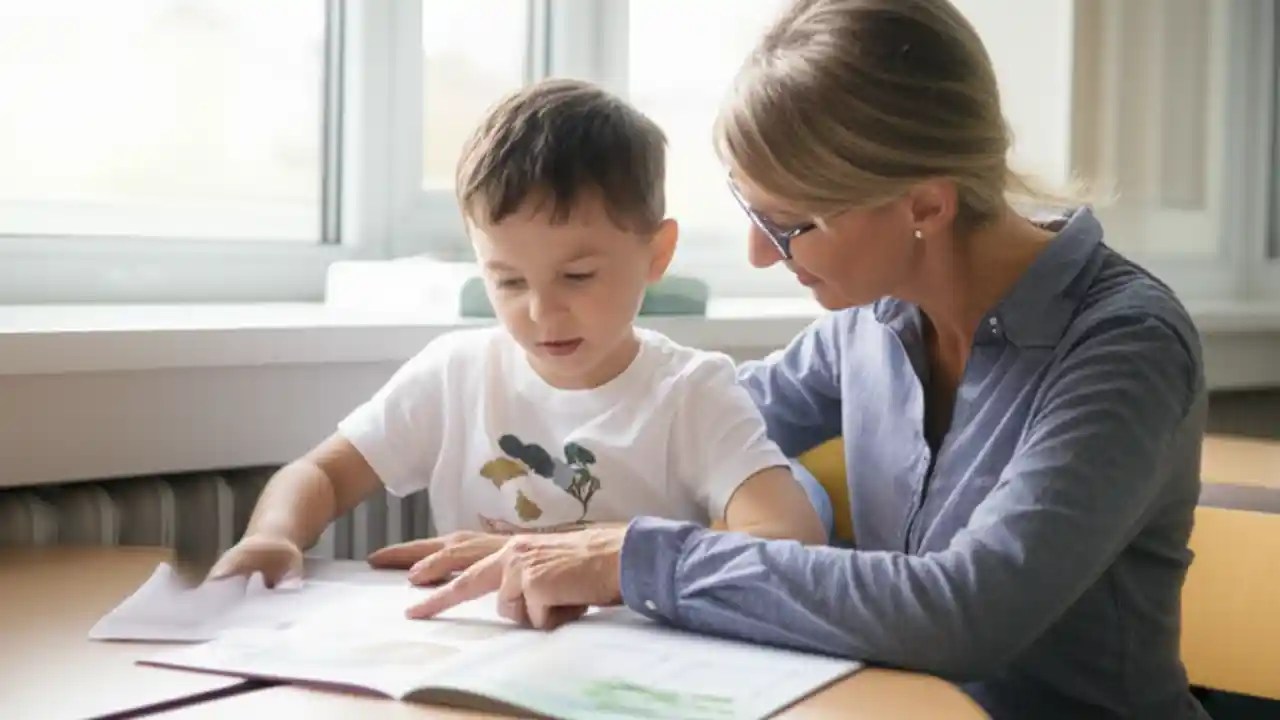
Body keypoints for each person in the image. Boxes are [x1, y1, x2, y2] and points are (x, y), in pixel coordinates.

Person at [403, 2, 1210, 718]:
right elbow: (676, 424)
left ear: (925, 204)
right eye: (752, 211)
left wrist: (631, 558)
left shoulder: (1125, 348)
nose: (759, 254)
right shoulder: (870, 324)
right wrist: (525, 486)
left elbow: (966, 612)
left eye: (791, 225)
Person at [208, 79, 826, 588]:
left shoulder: (691, 392)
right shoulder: (456, 372)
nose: (540, 310)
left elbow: (789, 538)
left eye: (577, 276)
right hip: (476, 648)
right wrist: (273, 535)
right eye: (506, 281)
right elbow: (321, 474)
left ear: (656, 254)